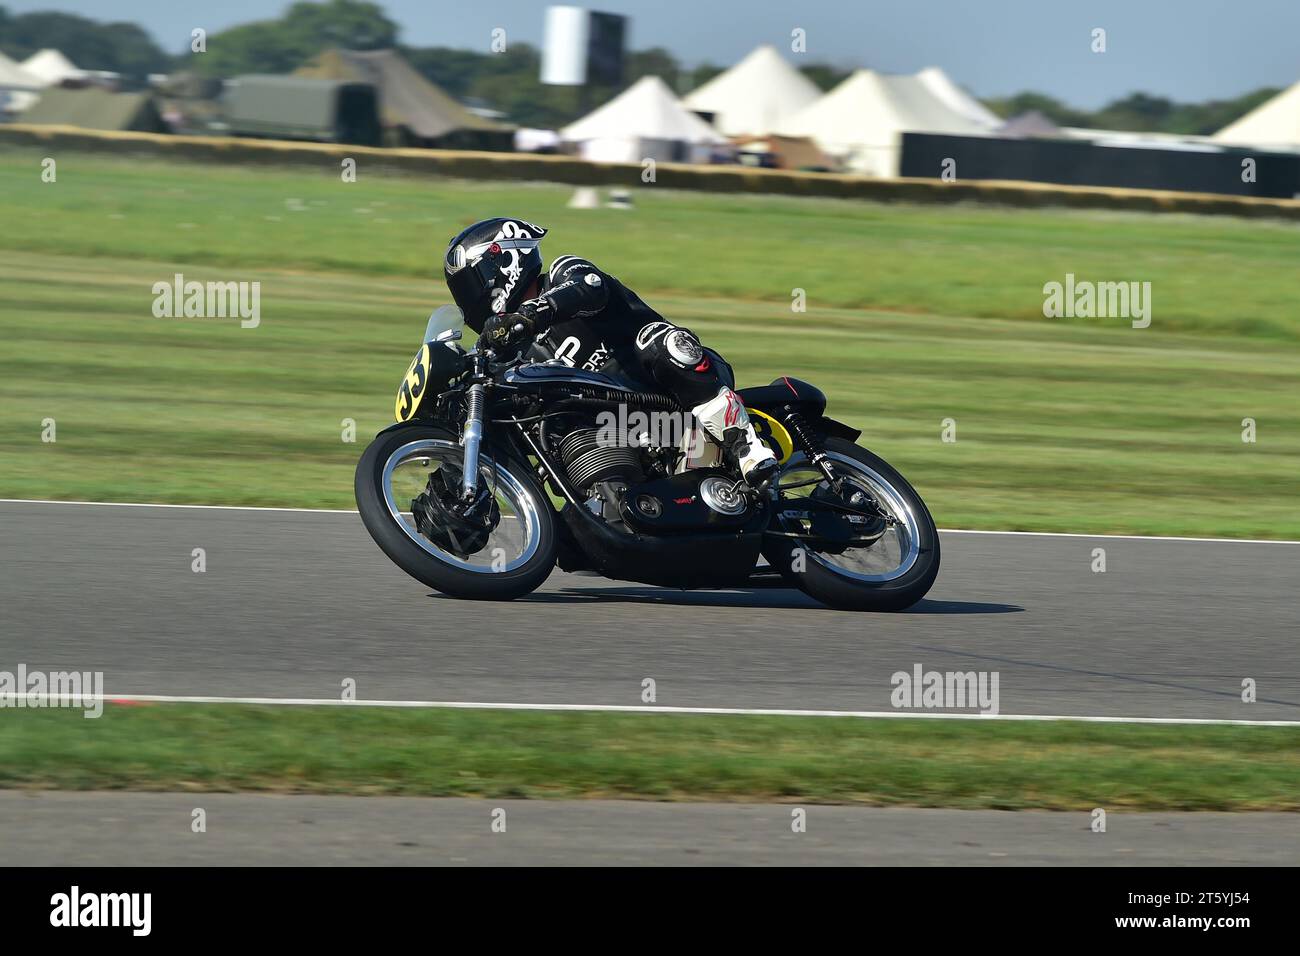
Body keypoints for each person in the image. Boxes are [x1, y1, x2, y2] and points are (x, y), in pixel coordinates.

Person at [443, 217, 780, 487]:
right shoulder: (514, 354)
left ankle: (745, 446)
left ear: (504, 262)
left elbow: (589, 288)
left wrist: (531, 314)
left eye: (472, 284)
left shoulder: (564, 274)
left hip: (674, 391)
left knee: (660, 341)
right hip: (625, 432)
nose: (468, 300)